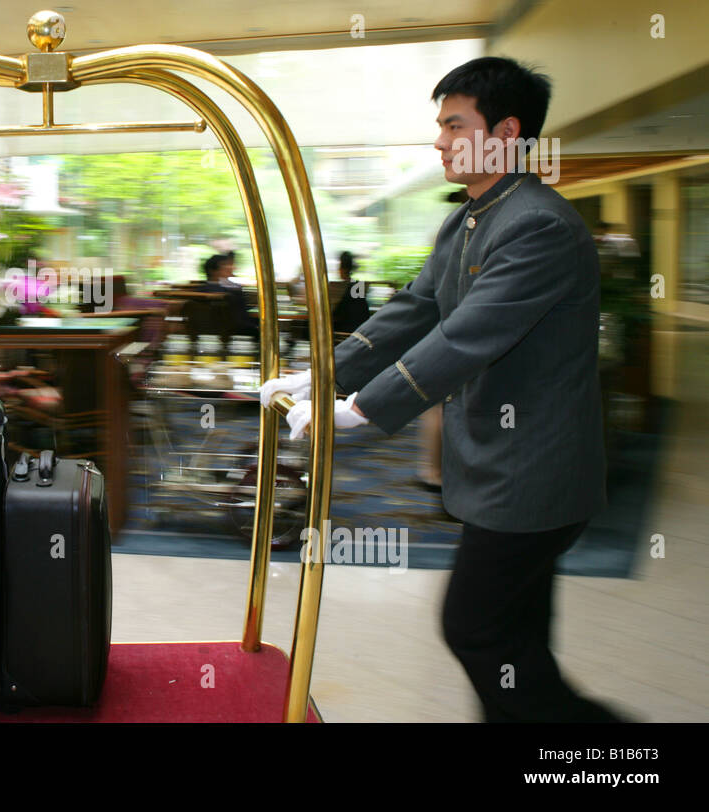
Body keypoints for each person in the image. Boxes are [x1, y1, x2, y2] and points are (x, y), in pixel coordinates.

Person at [261, 56, 624, 722]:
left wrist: (362, 411)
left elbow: (465, 338)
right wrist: (324, 374)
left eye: (455, 125)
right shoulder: (468, 221)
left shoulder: (538, 225)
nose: (439, 141)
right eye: (440, 125)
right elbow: (411, 311)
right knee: (515, 637)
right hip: (502, 466)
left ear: (506, 131)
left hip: (533, 473)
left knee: (475, 627)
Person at [331, 250, 370, 334]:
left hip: (344, 331)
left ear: (342, 269)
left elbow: (337, 314)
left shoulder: (337, 287)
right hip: (358, 331)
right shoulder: (358, 286)